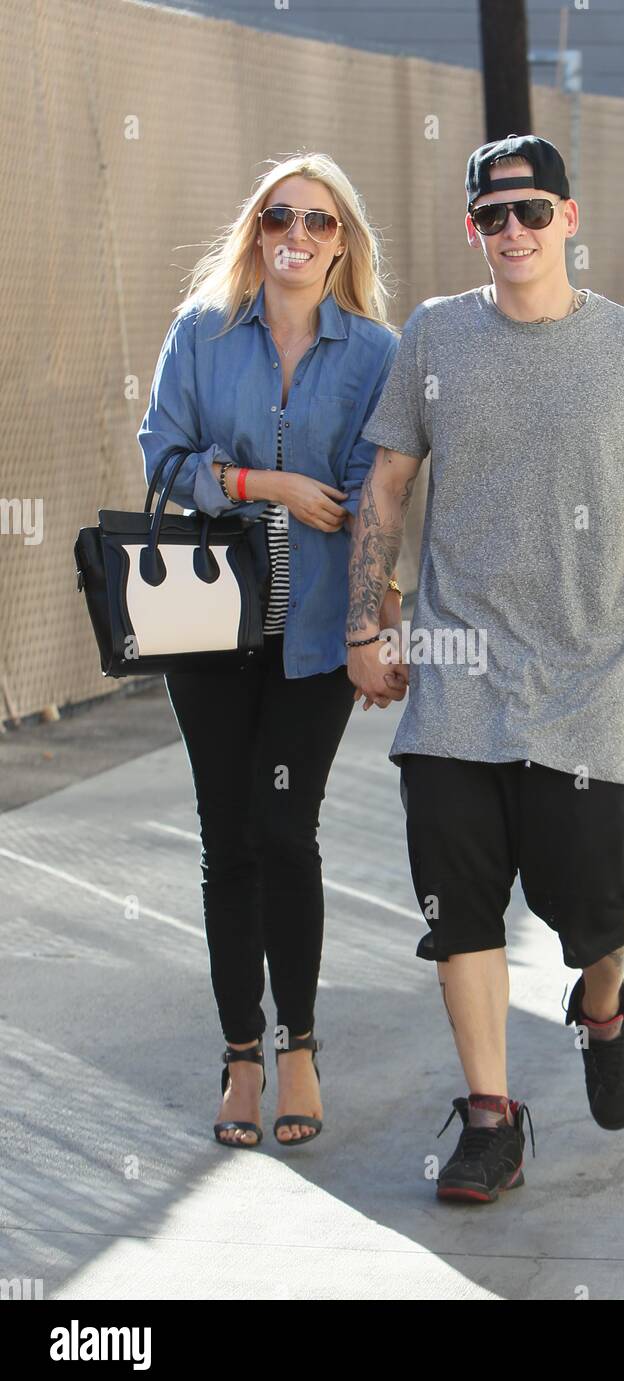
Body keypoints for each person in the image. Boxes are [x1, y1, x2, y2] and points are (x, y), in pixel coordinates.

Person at [346, 133, 624, 1202]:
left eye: (529, 210)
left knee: (584, 906)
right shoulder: (430, 336)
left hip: (580, 685)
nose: (509, 231)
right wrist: (365, 623)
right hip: (454, 676)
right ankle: (489, 1118)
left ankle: (602, 1001)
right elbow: (384, 486)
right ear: (472, 229)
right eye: (489, 216)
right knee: (456, 906)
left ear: (568, 217)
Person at [138, 152, 404, 1149]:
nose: (297, 232)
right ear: (256, 229)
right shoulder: (201, 335)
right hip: (205, 631)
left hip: (313, 637)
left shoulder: (374, 352)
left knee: (284, 830)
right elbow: (162, 452)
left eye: (320, 222)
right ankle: (239, 1057)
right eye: (279, 215)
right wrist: (262, 487)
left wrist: (375, 619)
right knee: (227, 841)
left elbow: (373, 489)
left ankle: (299, 1042)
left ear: (343, 245)